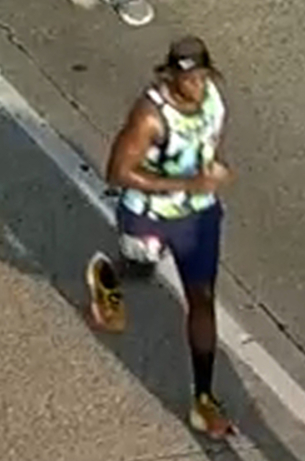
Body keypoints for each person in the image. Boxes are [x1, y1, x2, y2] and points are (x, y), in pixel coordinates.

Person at [89, 36, 234, 438]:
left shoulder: (214, 100)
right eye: (187, 78)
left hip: (198, 217)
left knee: (202, 298)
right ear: (169, 75)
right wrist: (189, 183)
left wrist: (214, 170)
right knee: (140, 270)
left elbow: (210, 142)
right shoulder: (150, 116)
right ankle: (107, 275)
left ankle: (203, 398)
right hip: (149, 215)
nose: (195, 85)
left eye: (201, 76)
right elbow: (117, 171)